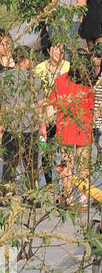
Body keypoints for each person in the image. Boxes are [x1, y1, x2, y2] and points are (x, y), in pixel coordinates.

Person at [0, 48, 45, 188]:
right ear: (25, 60)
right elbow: (40, 105)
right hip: (30, 127)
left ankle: (6, 194)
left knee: (9, 163)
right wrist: (43, 126)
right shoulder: (35, 79)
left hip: (10, 126)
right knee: (31, 164)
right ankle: (33, 195)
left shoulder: (3, 77)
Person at [53, 56, 94, 199]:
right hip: (83, 127)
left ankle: (68, 195)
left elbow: (53, 103)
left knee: (67, 165)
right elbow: (91, 106)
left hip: (65, 129)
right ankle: (84, 196)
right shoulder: (87, 84)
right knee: (83, 165)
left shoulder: (59, 80)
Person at [35, 37, 69, 184]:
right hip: (46, 119)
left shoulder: (68, 66)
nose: (59, 52)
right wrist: (41, 122)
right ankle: (50, 186)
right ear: (48, 50)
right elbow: (38, 97)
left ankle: (65, 189)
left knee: (65, 154)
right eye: (55, 48)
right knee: (46, 152)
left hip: (65, 117)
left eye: (61, 48)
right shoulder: (39, 69)